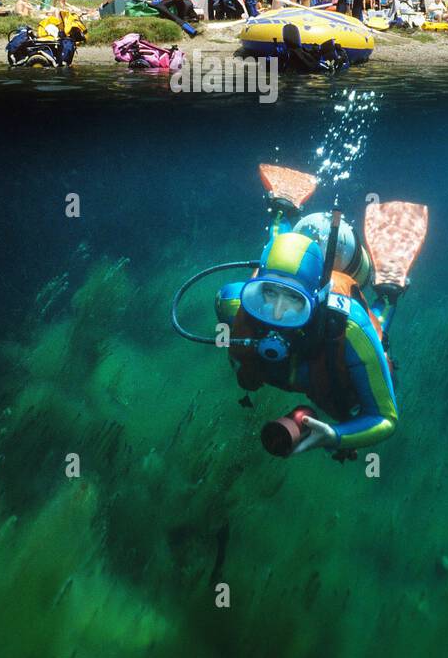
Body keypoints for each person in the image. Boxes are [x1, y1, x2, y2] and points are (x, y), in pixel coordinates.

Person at [171, 164, 428, 461]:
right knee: (279, 264)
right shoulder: (233, 303)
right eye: (266, 294)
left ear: (315, 301)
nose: (277, 314)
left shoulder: (352, 330)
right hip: (289, 291)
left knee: (379, 340)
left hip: (341, 316)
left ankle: (389, 289)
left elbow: (385, 418)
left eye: (293, 301)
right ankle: (282, 211)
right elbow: (267, 284)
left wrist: (335, 435)